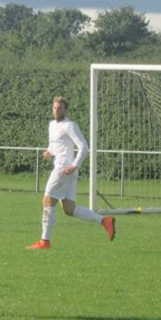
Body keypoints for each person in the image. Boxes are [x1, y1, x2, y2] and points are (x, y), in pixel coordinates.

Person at [27, 96, 115, 249]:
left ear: (66, 110)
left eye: (59, 108)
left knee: (47, 201)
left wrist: (75, 165)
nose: (56, 110)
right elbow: (54, 145)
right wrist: (48, 151)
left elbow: (83, 147)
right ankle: (104, 221)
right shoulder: (52, 125)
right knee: (69, 208)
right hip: (64, 169)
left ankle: (45, 241)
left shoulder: (70, 125)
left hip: (64, 169)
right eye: (54, 108)